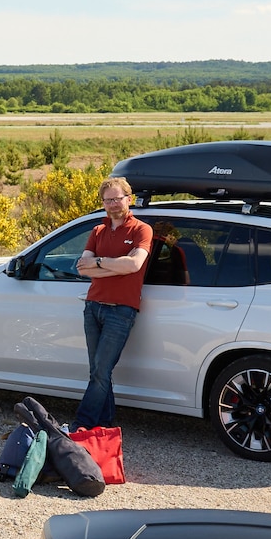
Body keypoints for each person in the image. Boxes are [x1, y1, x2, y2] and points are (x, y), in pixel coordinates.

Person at [73, 178, 151, 431]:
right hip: (93, 307)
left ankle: (81, 425)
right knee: (97, 371)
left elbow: (134, 265)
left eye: (118, 199)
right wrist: (115, 266)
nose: (113, 205)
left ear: (129, 198)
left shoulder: (141, 230)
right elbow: (83, 269)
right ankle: (104, 425)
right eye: (108, 200)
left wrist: (100, 263)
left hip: (121, 311)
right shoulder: (97, 231)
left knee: (100, 370)